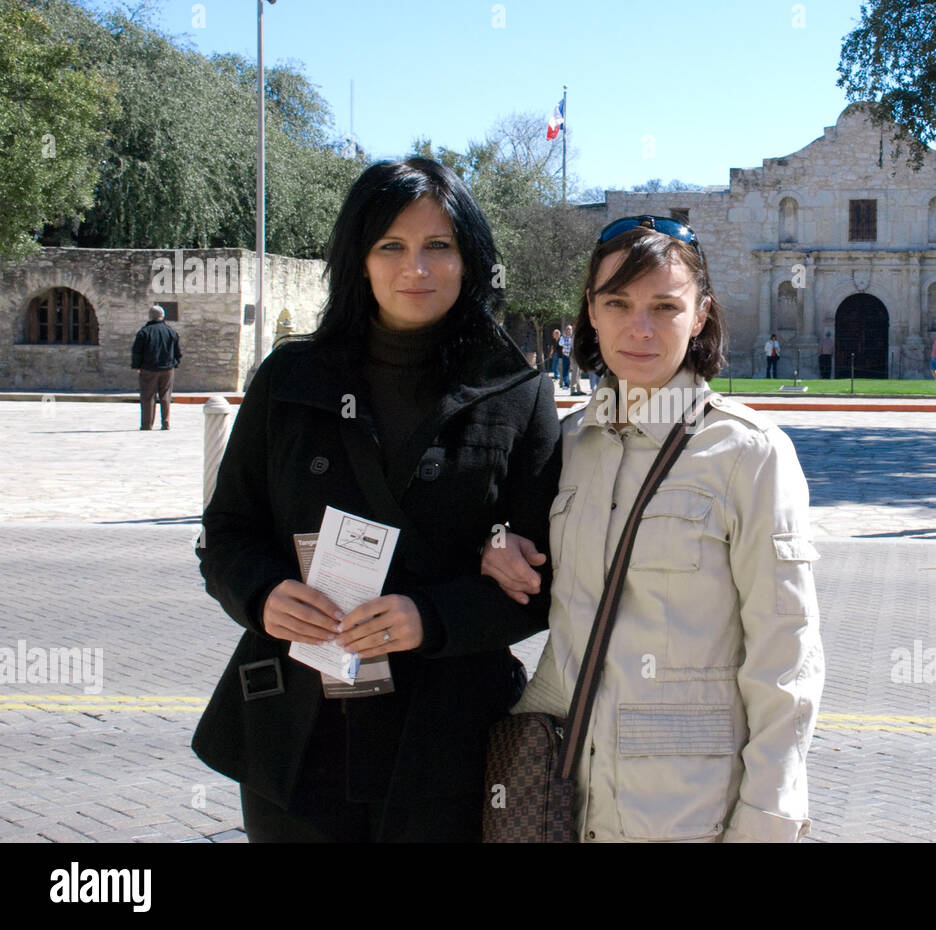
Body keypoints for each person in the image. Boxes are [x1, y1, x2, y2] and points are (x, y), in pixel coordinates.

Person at [191, 157, 561, 842]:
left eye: (437, 247)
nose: (414, 267)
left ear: (470, 259)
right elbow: (225, 534)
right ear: (359, 259)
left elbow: (542, 587)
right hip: (298, 735)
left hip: (447, 745)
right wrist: (263, 594)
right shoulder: (289, 378)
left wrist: (432, 616)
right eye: (390, 245)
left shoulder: (517, 394)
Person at [482, 215, 824, 842]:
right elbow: (566, 623)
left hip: (688, 813)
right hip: (568, 799)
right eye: (617, 303)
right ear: (590, 311)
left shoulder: (748, 453)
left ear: (700, 316)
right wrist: (496, 544)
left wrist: (768, 818)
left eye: (665, 306)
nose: (638, 328)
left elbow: (786, 656)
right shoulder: (568, 446)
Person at [130, 304, 182, 430]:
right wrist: (175, 363)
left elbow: (137, 351)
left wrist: (136, 366)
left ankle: (147, 424)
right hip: (167, 369)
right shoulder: (171, 332)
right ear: (162, 316)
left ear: (150, 317)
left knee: (148, 396)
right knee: (165, 396)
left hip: (148, 369)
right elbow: (178, 352)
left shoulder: (144, 332)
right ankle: (165, 423)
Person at [559, 324, 574, 388]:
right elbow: (560, 343)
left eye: (570, 329)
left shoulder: (573, 337)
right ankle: (566, 384)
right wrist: (563, 337)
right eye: (567, 329)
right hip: (565, 355)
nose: (568, 330)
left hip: (572, 356)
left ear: (572, 330)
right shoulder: (563, 337)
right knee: (565, 370)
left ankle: (572, 383)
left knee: (573, 370)